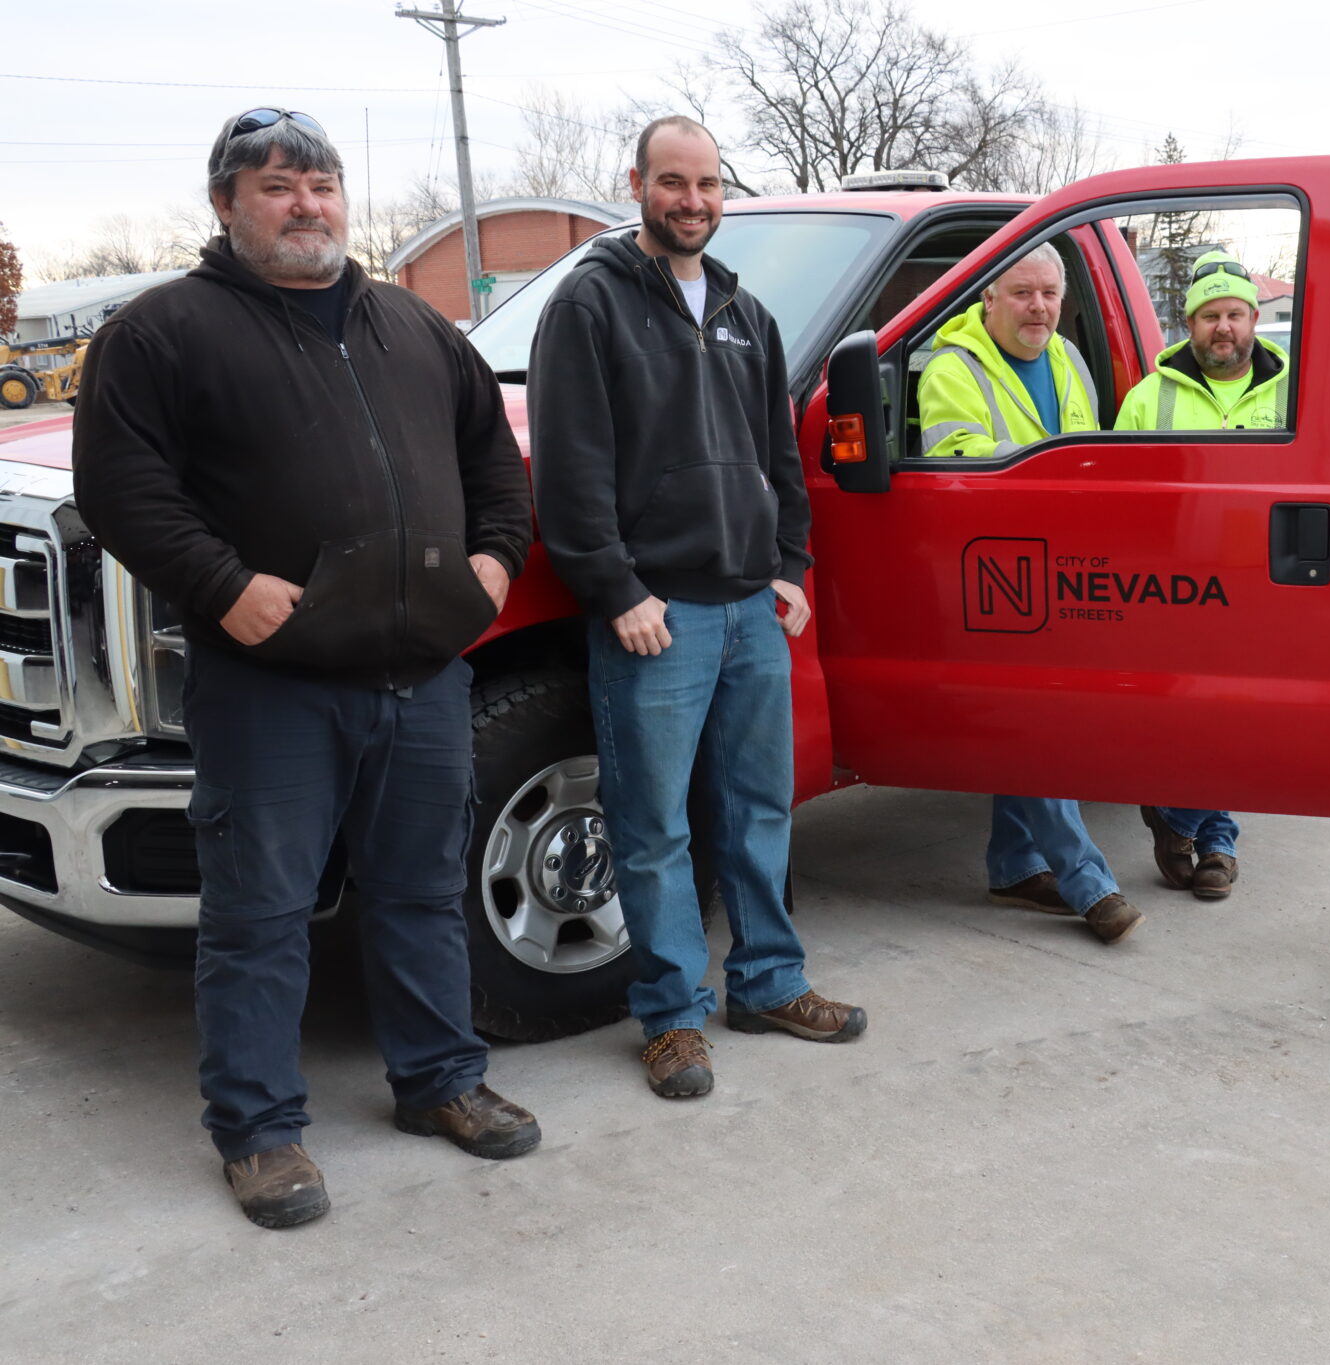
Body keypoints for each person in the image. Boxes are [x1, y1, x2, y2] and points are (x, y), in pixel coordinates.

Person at [72, 109, 542, 1229]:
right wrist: (222, 583)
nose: (306, 204)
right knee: (260, 913)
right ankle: (260, 1132)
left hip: (421, 674)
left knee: (423, 892)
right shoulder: (164, 332)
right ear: (227, 205)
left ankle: (441, 1081)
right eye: (277, 186)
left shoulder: (413, 328)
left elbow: (494, 458)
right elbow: (121, 485)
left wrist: (493, 561)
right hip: (271, 685)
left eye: (321, 184)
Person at [529, 115, 867, 1101]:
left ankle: (767, 982)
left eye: (708, 185)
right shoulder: (589, 305)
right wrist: (617, 588)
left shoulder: (743, 312)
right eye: (672, 183)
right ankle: (673, 1017)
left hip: (749, 614)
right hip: (657, 620)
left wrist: (791, 567)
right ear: (635, 183)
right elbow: (570, 469)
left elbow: (777, 461)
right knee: (653, 826)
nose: (692, 202)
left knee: (759, 810)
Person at [915, 245, 1144, 945]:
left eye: (1049, 292)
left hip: (1066, 565)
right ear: (988, 297)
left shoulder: (1070, 359)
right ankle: (1086, 880)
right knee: (1033, 723)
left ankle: (1015, 864)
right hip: (995, 570)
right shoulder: (952, 368)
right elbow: (955, 468)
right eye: (1023, 292)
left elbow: (1095, 453)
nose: (1039, 306)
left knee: (1048, 717)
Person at [1115, 250, 1288, 901]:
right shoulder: (1147, 398)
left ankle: (1180, 818)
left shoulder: (1295, 390)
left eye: (1236, 314)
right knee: (1191, 719)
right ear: (1189, 322)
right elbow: (1118, 500)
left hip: (1263, 581)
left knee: (1241, 720)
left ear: (1253, 319)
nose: (1225, 327)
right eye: (1211, 314)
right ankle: (1214, 843)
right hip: (1174, 587)